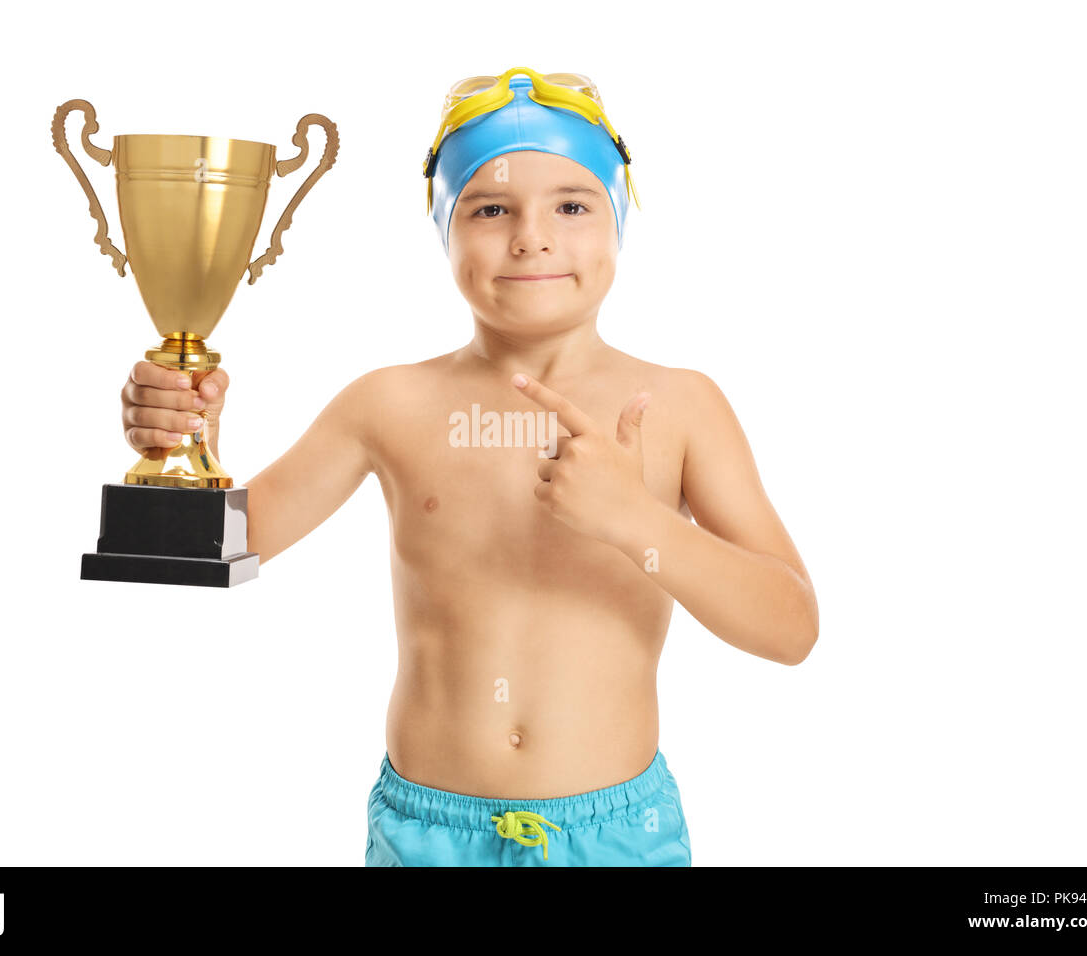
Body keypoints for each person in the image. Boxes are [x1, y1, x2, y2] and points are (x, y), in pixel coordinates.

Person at [119, 67, 818, 866]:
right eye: (490, 208)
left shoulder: (682, 407)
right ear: (445, 230)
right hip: (428, 837)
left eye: (572, 204)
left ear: (619, 220)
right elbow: (214, 547)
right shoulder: (387, 404)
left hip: (620, 836)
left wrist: (640, 524)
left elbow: (791, 628)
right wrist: (180, 442)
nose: (531, 236)